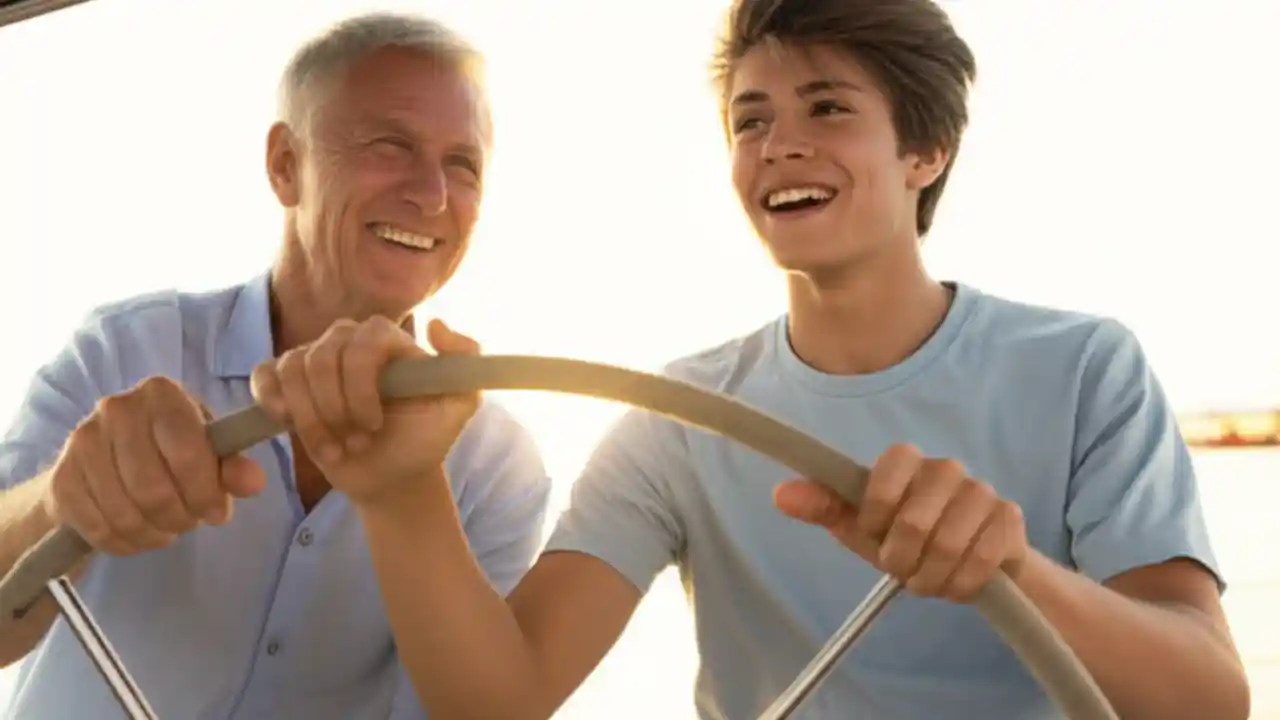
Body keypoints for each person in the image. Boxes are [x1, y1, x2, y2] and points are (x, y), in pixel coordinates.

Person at [247, 2, 1251, 720]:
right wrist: (403, 491)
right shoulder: (673, 418)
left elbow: (1204, 699)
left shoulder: (1081, 368)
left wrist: (1012, 569)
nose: (776, 147)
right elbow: (500, 699)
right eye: (750, 120)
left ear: (925, 151)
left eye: (824, 109)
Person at [0, 12, 551, 719]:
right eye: (392, 144)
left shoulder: (499, 467)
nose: (433, 195)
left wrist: (411, 496)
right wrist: (58, 503)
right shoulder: (127, 351)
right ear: (286, 165)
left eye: (462, 166)